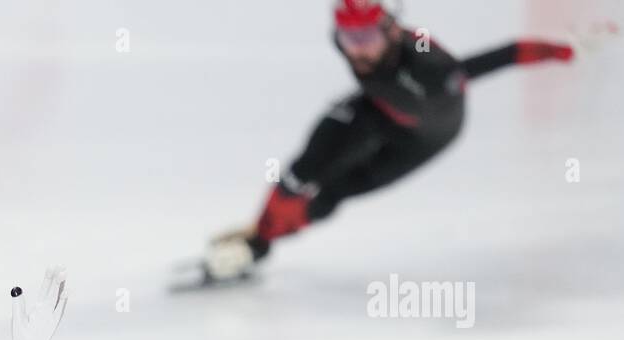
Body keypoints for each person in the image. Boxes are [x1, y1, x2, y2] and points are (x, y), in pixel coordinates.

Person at [202, 0, 575, 282]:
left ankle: (266, 235)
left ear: (391, 32)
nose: (356, 50)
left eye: (365, 38)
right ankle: (258, 239)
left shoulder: (428, 62)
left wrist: (559, 50)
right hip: (376, 112)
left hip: (427, 138)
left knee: (338, 189)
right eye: (348, 38)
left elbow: (492, 59)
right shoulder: (360, 41)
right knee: (304, 171)